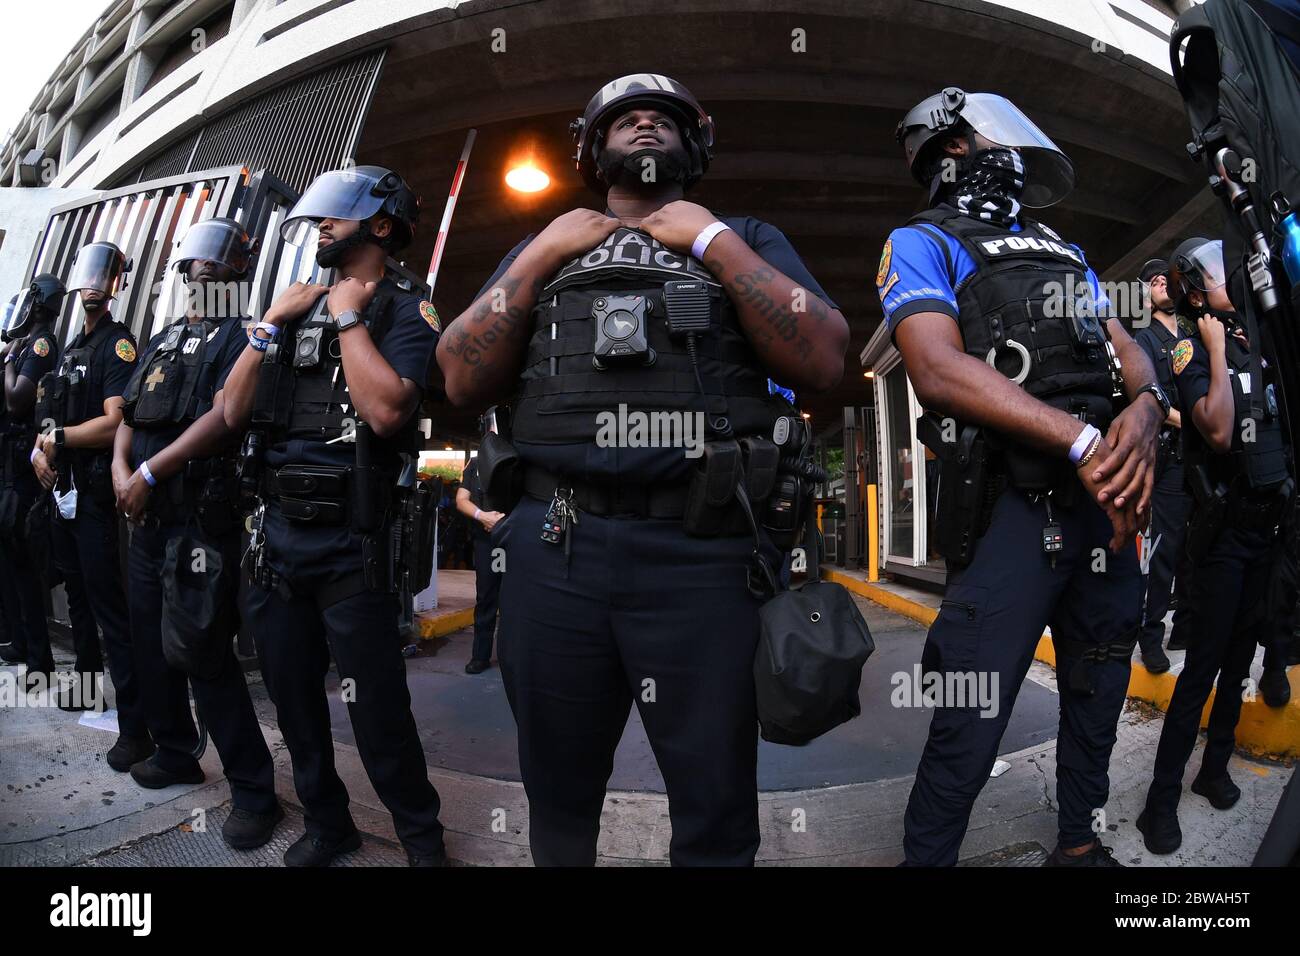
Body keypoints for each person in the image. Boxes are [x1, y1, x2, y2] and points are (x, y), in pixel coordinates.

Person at [438, 73, 849, 866]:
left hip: (702, 555)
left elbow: (824, 357)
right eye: (625, 119)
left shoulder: (745, 235)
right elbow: (458, 376)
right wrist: (549, 249)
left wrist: (711, 242)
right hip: (555, 548)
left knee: (716, 806)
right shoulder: (544, 245)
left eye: (662, 118)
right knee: (558, 797)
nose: (646, 126)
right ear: (594, 148)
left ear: (694, 143)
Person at [883, 88, 1166, 866]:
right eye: (986, 136)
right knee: (969, 716)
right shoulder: (922, 240)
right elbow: (937, 369)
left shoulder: (1064, 250)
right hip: (1016, 510)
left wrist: (1144, 409)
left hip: (1103, 511)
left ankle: (1078, 841)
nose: (1009, 150)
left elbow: (1125, 353)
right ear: (951, 150)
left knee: (1099, 686)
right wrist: (1083, 442)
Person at [222, 165, 447, 867]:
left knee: (377, 711)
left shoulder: (410, 306)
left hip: (354, 541)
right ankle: (329, 826)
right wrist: (269, 327)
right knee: (293, 701)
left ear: (380, 226)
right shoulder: (292, 304)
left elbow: (386, 410)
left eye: (334, 217)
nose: (320, 226)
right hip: (278, 538)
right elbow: (230, 412)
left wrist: (350, 314)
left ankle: (421, 842)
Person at [109, 217, 283, 848]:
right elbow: (128, 411)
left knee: (203, 652)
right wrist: (121, 469)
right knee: (150, 643)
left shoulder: (245, 339)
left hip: (198, 522)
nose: (198, 277)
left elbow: (222, 418)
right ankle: (176, 750)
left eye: (212, 269)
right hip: (146, 515)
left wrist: (149, 473)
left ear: (236, 274)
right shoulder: (163, 338)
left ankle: (254, 791)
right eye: (192, 269)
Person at [1137, 238, 1293, 854]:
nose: (1231, 277)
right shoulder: (1190, 347)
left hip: (1266, 529)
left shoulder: (1257, 340)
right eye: (1217, 273)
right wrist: (1218, 350)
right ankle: (1158, 802)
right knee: (1202, 668)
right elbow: (1221, 428)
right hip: (1223, 539)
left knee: (1240, 663)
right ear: (1196, 290)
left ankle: (1214, 766)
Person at [33, 241, 148, 759]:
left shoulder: (116, 345)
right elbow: (52, 418)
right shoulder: (71, 347)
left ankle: (134, 727)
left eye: (103, 276)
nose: (92, 285)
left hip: (96, 497)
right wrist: (41, 447)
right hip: (63, 492)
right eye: (87, 274)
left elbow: (114, 421)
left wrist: (59, 441)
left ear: (116, 284)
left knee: (109, 610)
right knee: (77, 597)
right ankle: (87, 690)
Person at [1132, 258, 1194, 673]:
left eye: (1165, 278)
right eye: (1153, 281)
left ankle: (1187, 626)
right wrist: (1198, 420)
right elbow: (1150, 396)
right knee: (1164, 548)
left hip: (1206, 456)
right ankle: (1151, 634)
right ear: (1148, 296)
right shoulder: (1143, 340)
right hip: (1171, 455)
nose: (1160, 283)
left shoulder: (1195, 334)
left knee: (1199, 545)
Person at [0, 276, 62, 686]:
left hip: (24, 470)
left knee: (25, 563)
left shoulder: (40, 345)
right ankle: (21, 642)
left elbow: (16, 398)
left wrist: (5, 362)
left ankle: (41, 661)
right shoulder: (24, 343)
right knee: (11, 562)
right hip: (9, 465)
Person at [455, 444, 504, 674]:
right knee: (485, 598)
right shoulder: (474, 464)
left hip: (513, 539)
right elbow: (461, 499)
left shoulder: (518, 460)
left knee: (514, 600)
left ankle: (511, 656)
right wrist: (482, 516)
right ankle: (480, 656)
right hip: (485, 542)